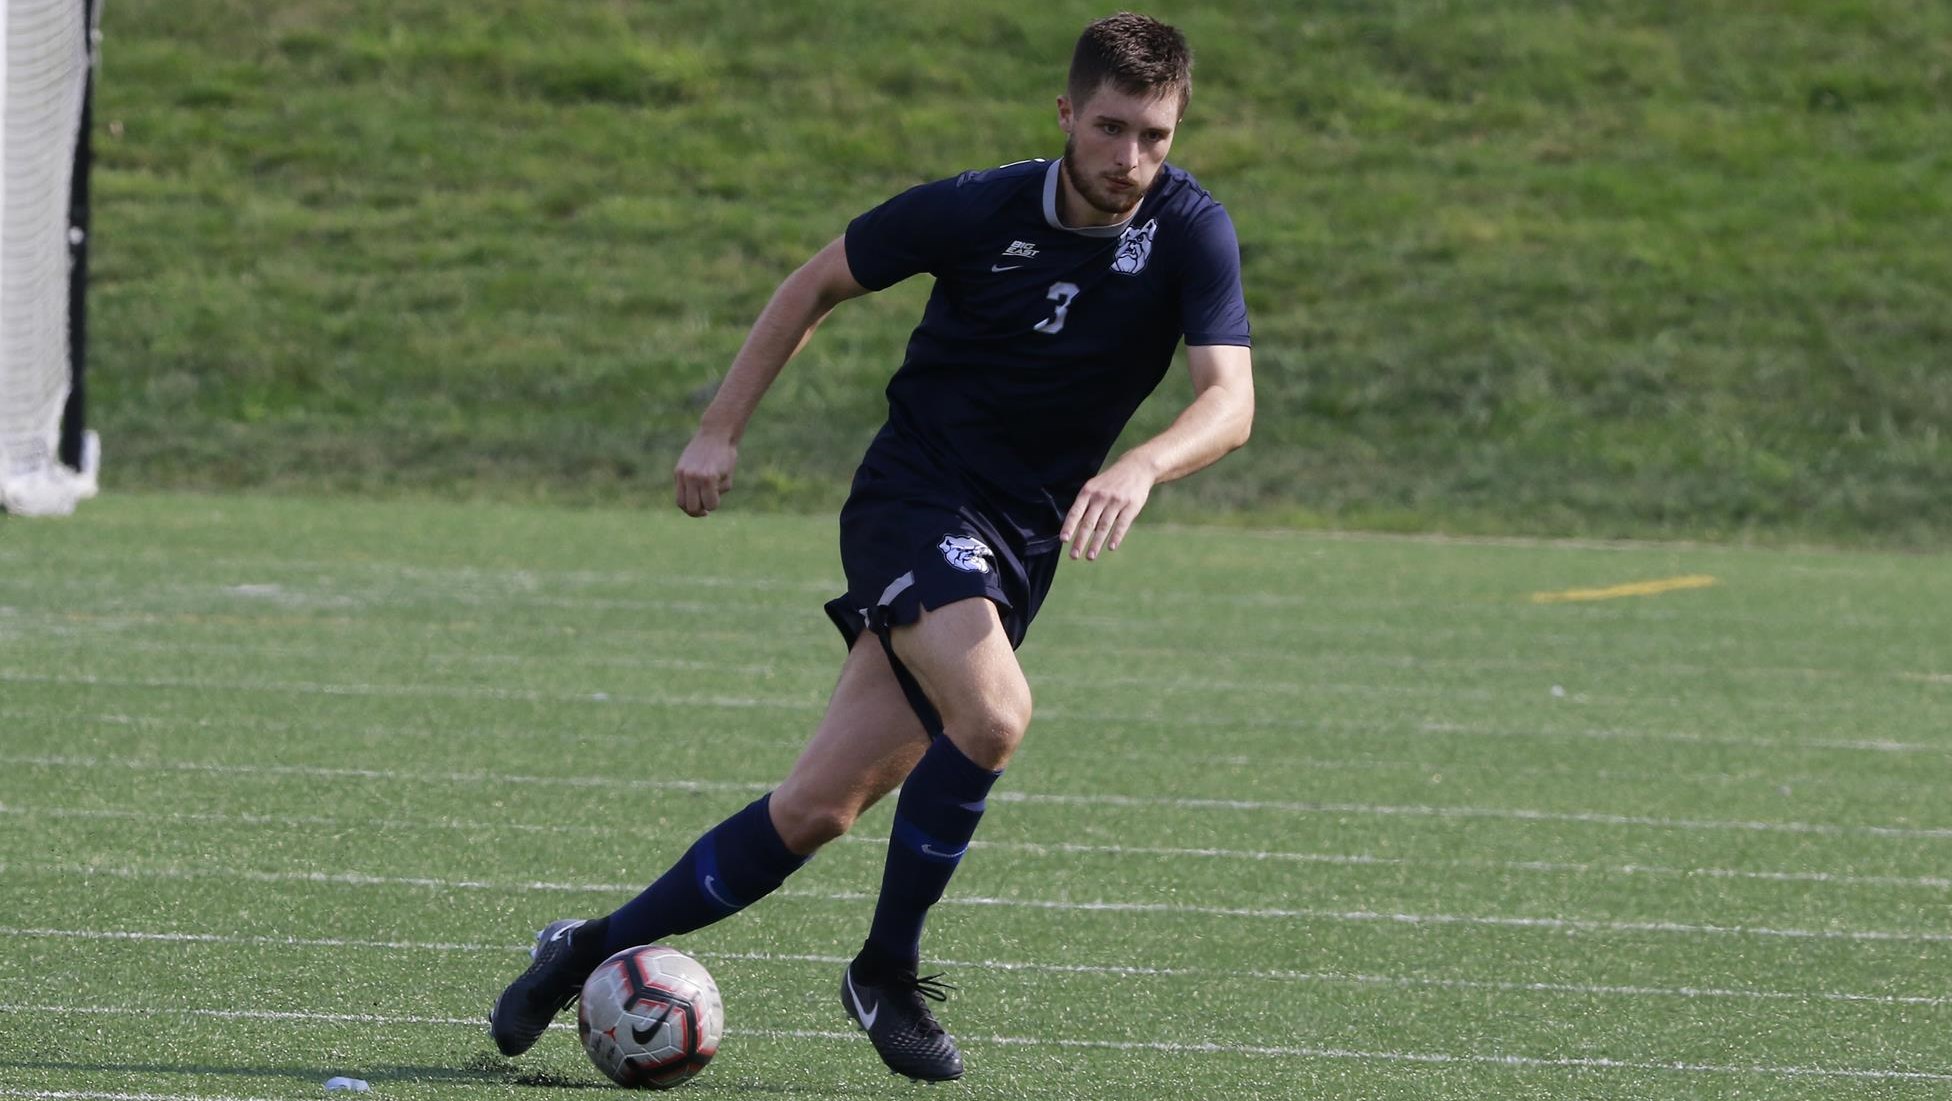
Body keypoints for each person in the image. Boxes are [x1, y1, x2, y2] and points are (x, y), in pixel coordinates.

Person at [488, 11, 1253, 1082]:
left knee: (815, 810)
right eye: (1112, 128)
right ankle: (884, 970)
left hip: (1016, 544)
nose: (1130, 159)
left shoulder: (1186, 230)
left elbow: (1230, 402)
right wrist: (719, 427)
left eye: (1156, 137)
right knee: (994, 716)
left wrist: (1140, 464)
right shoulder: (976, 207)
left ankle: (582, 951)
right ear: (1067, 114)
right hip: (917, 502)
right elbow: (815, 283)